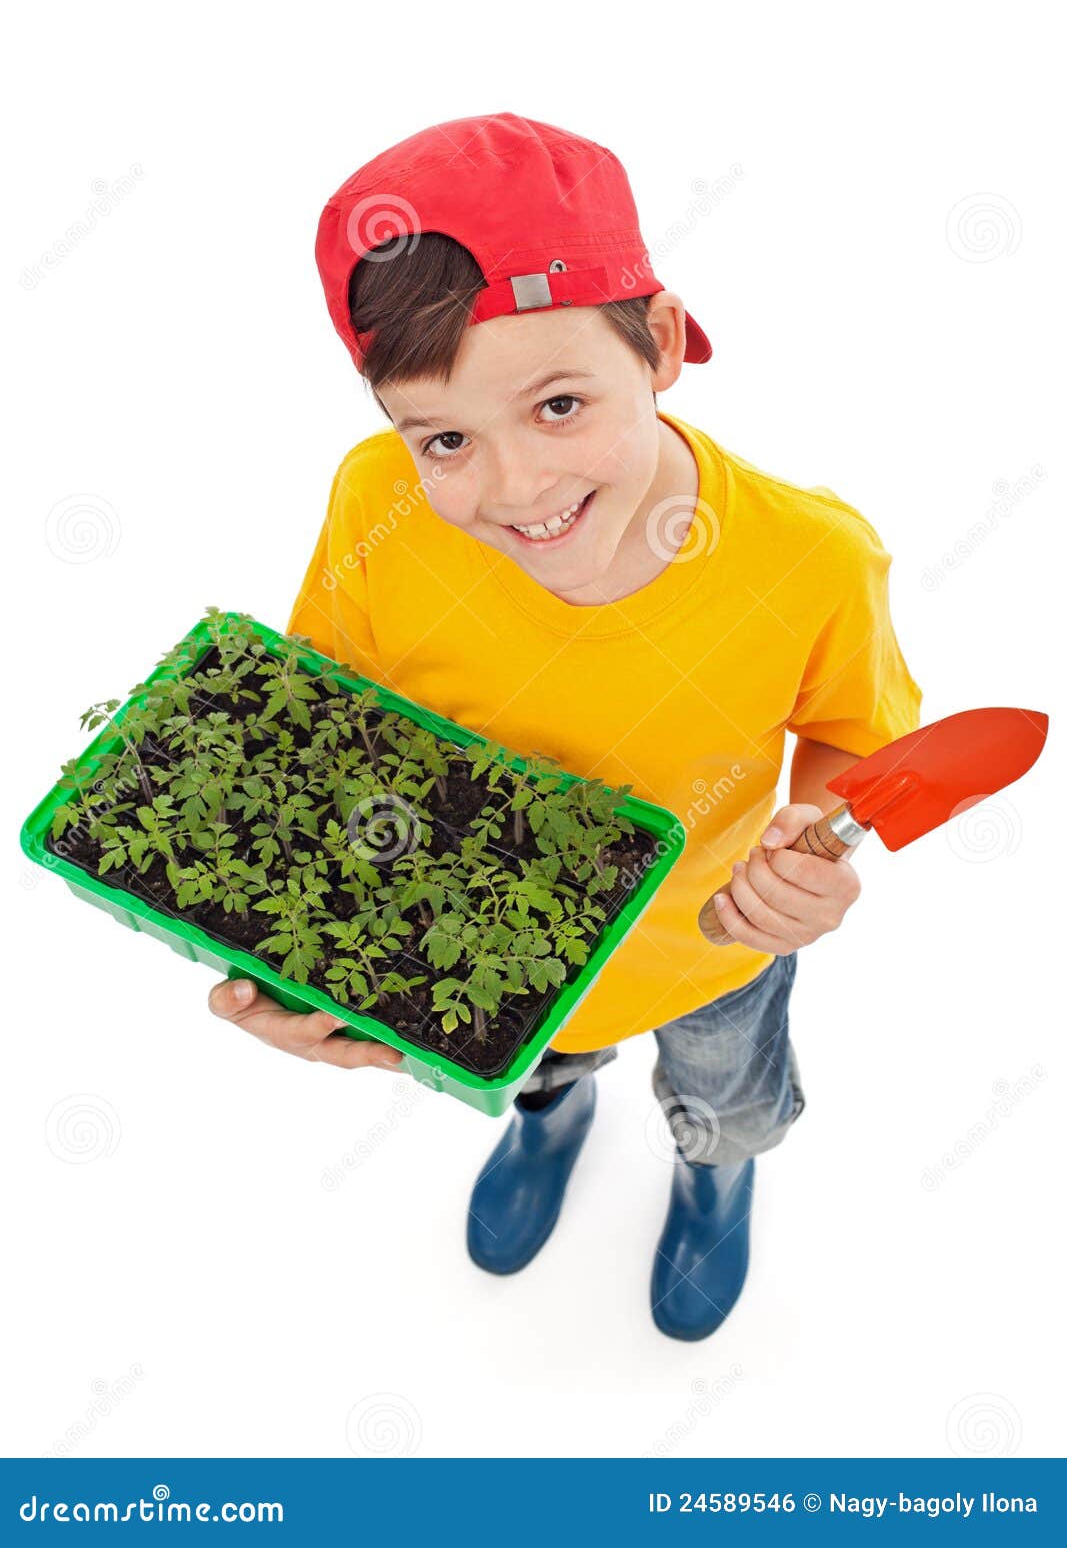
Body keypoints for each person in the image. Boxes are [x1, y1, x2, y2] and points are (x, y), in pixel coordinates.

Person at [208, 113, 922, 1340]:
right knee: (532, 1063)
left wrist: (818, 847)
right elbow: (324, 713)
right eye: (444, 438)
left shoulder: (810, 557)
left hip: (702, 947)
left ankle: (712, 1174)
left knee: (728, 1099)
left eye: (555, 404)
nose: (515, 489)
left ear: (653, 343)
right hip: (490, 938)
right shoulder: (376, 504)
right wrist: (286, 948)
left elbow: (856, 734)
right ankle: (554, 1117)